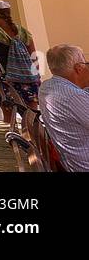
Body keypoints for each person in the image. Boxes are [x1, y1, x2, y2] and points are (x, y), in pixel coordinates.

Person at [0, 0, 40, 127]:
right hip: (27, 79)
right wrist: (36, 77)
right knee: (32, 116)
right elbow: (34, 56)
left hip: (4, 77)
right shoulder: (23, 32)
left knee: (9, 118)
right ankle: (35, 143)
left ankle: (13, 143)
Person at [39, 44, 89, 172]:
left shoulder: (47, 86)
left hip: (68, 158)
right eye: (86, 63)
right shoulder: (74, 96)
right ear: (79, 68)